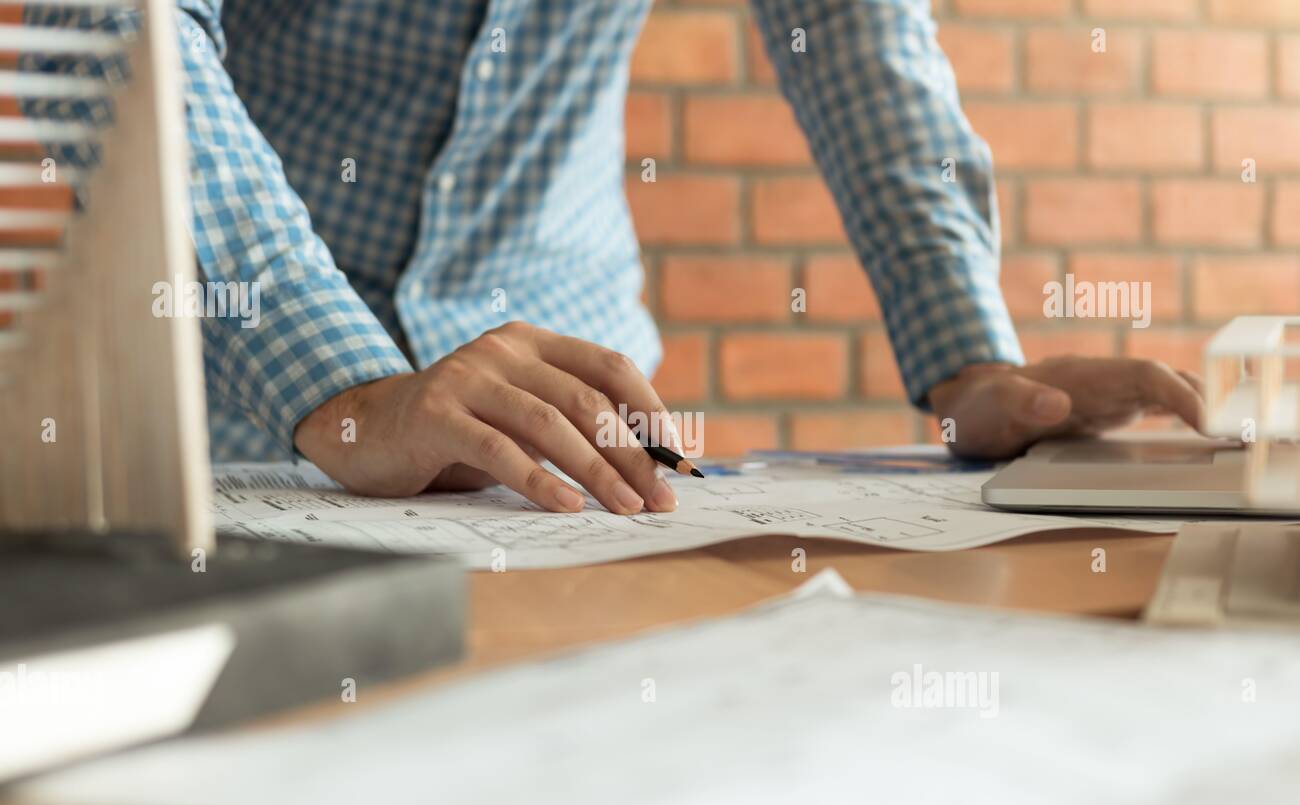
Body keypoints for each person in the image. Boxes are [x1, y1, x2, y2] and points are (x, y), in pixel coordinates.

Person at [35, 2, 1203, 515]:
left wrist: (972, 365)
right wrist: (345, 385)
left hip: (576, 452)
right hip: (229, 415)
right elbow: (115, 20)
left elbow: (851, 25)